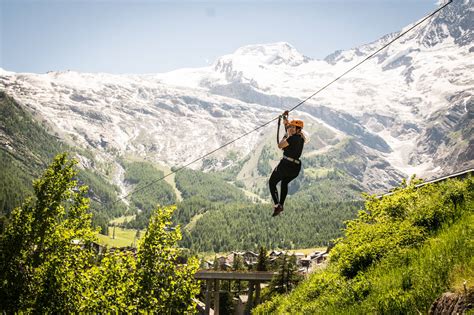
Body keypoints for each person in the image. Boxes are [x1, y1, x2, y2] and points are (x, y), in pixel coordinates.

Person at [269, 112, 305, 217]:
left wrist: (285, 135)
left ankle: (277, 204)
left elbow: (280, 145)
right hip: (295, 168)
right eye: (291, 127)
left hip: (286, 165)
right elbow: (290, 130)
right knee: (284, 183)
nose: (291, 129)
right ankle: (281, 204)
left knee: (272, 182)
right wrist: (286, 120)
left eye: (293, 127)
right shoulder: (301, 138)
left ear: (298, 129)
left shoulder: (292, 138)